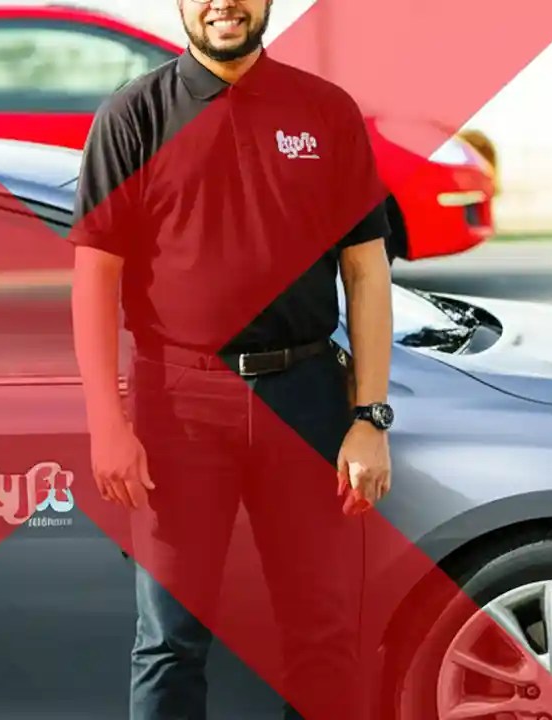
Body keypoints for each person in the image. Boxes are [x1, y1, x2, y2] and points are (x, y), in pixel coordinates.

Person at [69, 1, 396, 718]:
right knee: (169, 640)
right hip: (177, 403)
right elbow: (95, 279)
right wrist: (107, 423)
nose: (224, 2)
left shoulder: (325, 111)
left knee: (324, 633)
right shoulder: (134, 117)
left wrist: (370, 416)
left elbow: (367, 273)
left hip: (308, 397)